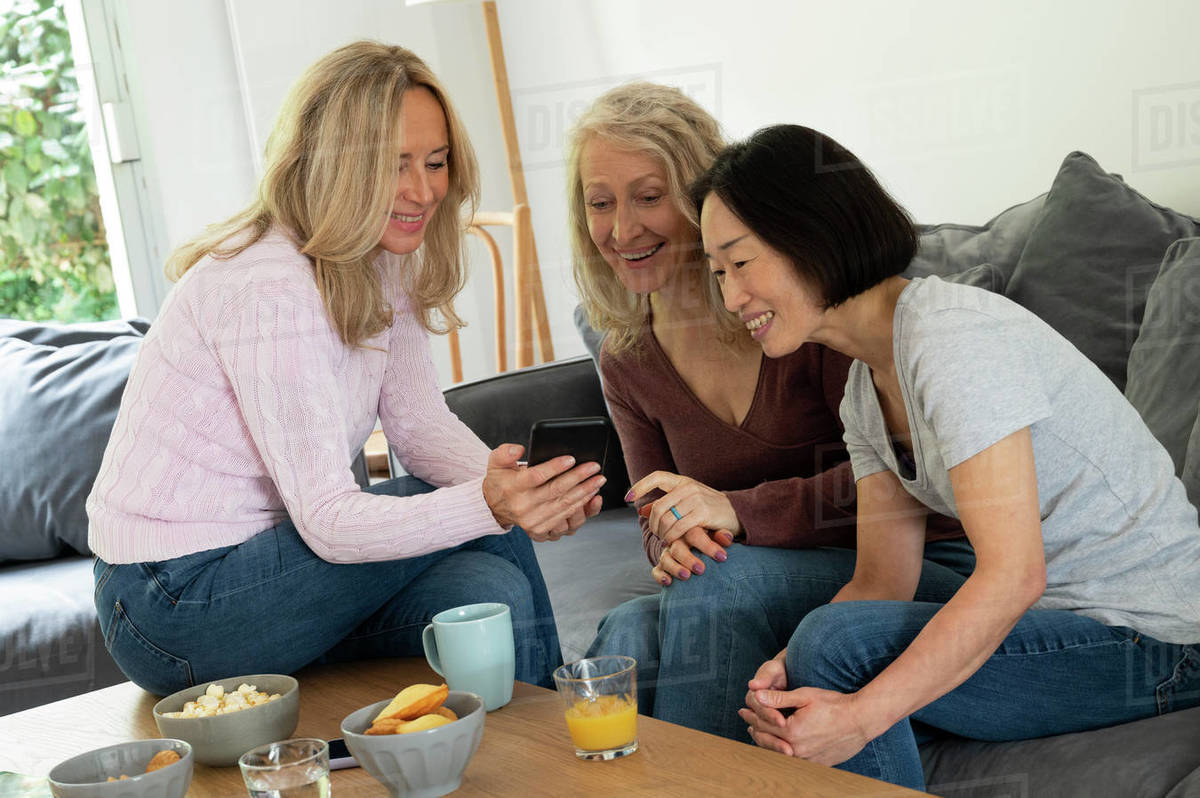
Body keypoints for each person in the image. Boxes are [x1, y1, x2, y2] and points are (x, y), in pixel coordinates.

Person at [87, 42, 605, 696]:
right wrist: (491, 502)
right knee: (460, 510)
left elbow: (416, 425)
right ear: (337, 167)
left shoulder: (382, 255)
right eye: (397, 167)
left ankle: (537, 754)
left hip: (277, 571)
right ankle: (566, 743)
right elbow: (329, 520)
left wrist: (520, 490)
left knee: (490, 592)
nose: (424, 190)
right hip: (172, 606)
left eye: (436, 162)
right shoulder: (271, 288)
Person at [693, 124, 1200, 789]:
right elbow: (882, 581)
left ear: (810, 232)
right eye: (717, 274)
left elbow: (1014, 575)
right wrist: (785, 665)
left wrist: (860, 716)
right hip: (1052, 620)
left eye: (740, 262)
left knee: (838, 647)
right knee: (808, 636)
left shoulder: (952, 341)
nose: (731, 298)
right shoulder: (864, 387)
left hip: (1155, 642)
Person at [567, 83, 972, 741]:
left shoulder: (795, 309)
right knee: (630, 632)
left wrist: (736, 513)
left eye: (648, 196)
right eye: (600, 203)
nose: (621, 229)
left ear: (710, 200)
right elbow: (657, 508)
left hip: (910, 562)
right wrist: (674, 537)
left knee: (711, 584)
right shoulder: (627, 359)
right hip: (767, 570)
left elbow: (903, 480)